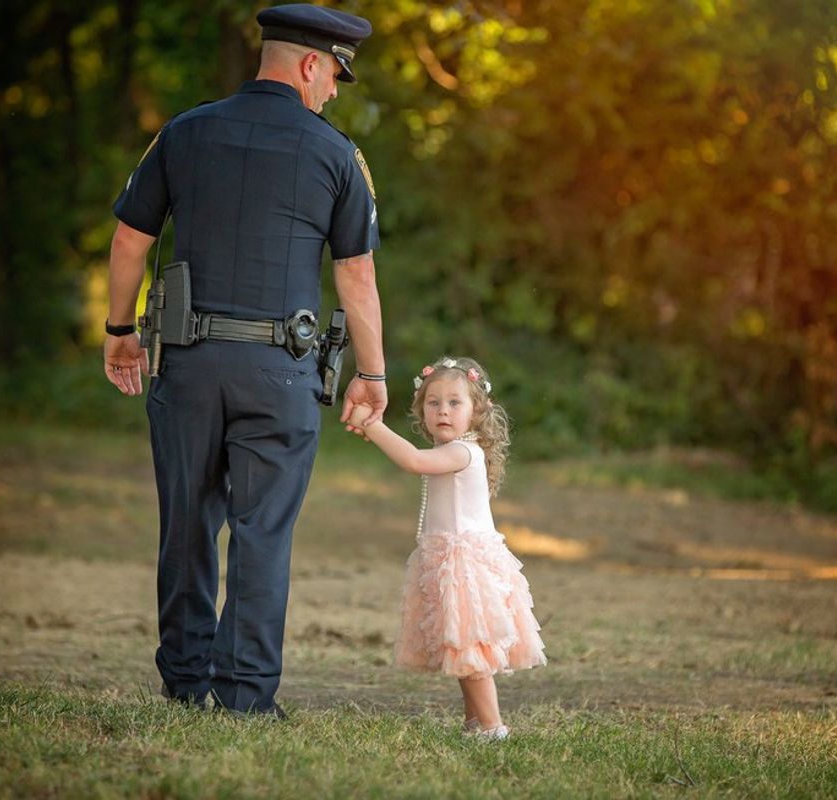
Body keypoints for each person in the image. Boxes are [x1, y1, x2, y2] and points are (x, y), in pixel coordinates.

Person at [101, 3, 388, 717]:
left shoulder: (185, 131)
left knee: (186, 524)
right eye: (334, 77)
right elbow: (356, 274)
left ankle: (183, 682)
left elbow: (130, 239)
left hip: (188, 365)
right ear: (312, 65)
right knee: (262, 535)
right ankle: (246, 697)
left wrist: (119, 329)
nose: (333, 92)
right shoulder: (336, 154)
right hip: (280, 373)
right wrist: (372, 374)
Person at [346, 356, 546, 739]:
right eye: (433, 402)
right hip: (448, 558)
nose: (443, 411)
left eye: (455, 402)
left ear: (477, 411)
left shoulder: (462, 452)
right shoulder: (452, 449)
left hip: (464, 563)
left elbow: (413, 460)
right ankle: (474, 721)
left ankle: (493, 727)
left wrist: (373, 425)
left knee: (471, 650)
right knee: (461, 646)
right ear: (421, 411)